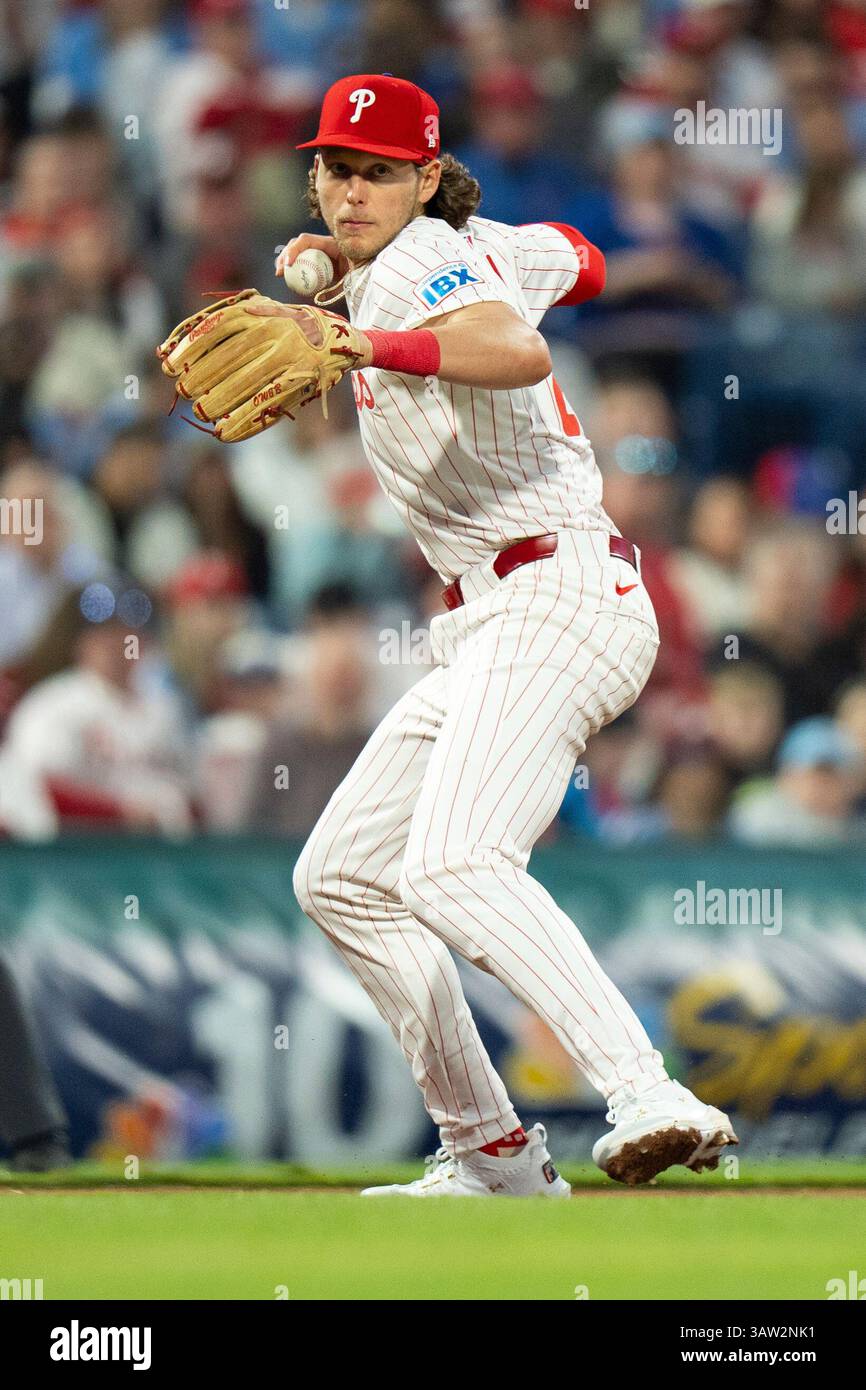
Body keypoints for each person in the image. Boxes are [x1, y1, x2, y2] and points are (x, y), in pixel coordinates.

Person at [270, 74, 738, 1193]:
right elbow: (582, 256)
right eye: (335, 168)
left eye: (377, 171)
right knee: (341, 876)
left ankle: (647, 1091)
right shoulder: (458, 241)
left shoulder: (426, 261)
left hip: (553, 594)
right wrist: (404, 261)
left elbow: (517, 353)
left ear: (423, 177)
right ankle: (488, 1151)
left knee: (452, 862)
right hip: (498, 615)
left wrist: (373, 340)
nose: (348, 189)